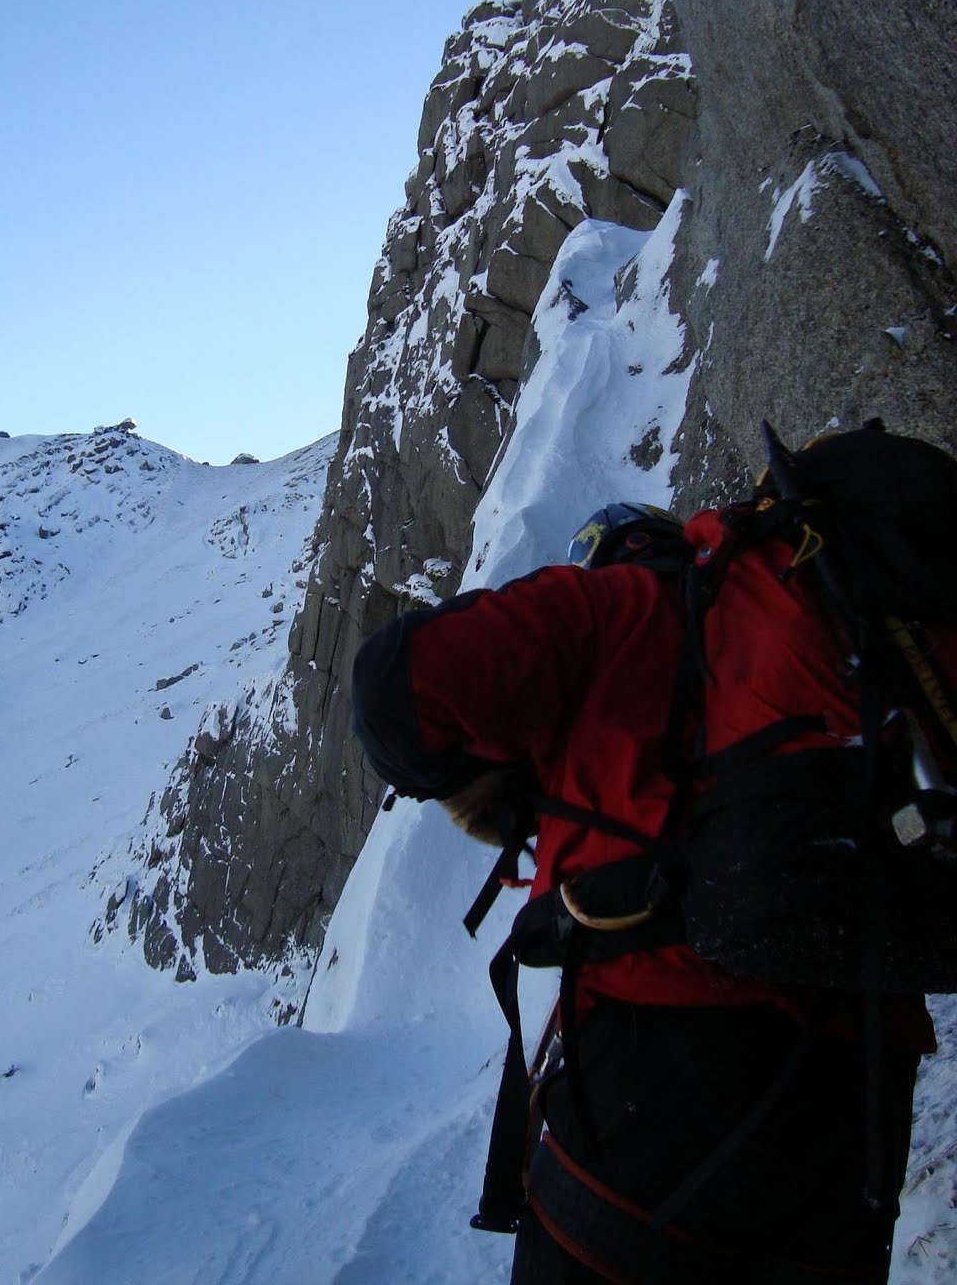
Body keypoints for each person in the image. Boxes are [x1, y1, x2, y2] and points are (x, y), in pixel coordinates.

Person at [351, 487, 945, 1285]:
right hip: (855, 1104)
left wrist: (479, 786)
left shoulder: (617, 606)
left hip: (662, 1083)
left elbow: (395, 684)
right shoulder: (804, 645)